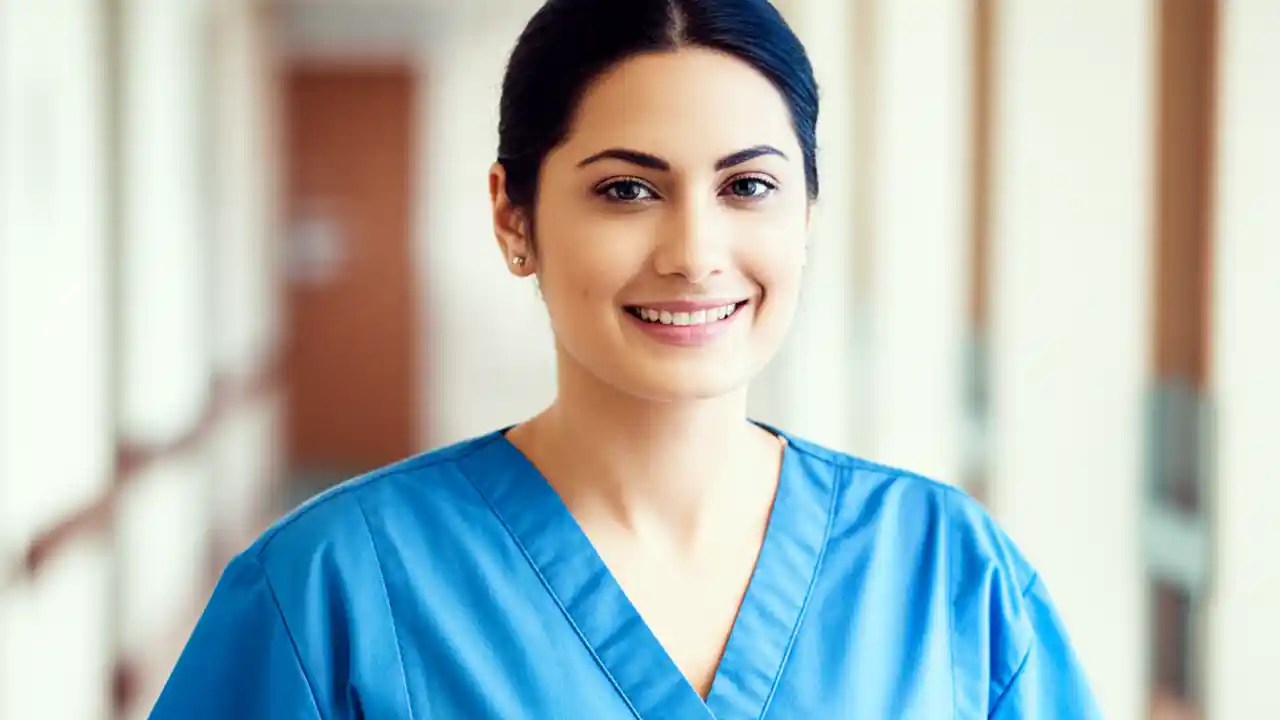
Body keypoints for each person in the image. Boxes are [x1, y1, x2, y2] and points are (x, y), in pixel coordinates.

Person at [151, 0, 1101, 717]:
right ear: (512, 216)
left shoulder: (951, 575)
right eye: (626, 189)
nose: (694, 251)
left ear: (807, 212)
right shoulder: (333, 587)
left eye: (749, 185)